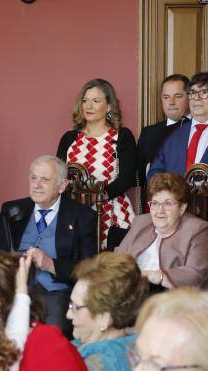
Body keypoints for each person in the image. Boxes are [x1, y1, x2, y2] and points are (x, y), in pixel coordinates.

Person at [0, 155, 97, 337]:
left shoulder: (81, 216)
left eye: (45, 180)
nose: (36, 184)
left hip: (55, 293)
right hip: (13, 289)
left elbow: (88, 269)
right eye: (33, 178)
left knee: (51, 334)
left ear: (62, 186)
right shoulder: (11, 210)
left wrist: (51, 264)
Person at [68, 252, 148, 371]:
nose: (68, 315)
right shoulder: (136, 343)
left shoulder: (91, 370)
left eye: (75, 308)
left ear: (105, 317)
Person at [56, 79, 139, 250]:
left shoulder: (122, 136)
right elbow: (58, 176)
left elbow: (127, 177)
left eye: (96, 101)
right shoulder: (69, 138)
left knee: (112, 270)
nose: (89, 106)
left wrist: (99, 196)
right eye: (85, 100)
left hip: (111, 211)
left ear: (109, 106)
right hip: (75, 213)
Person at [115, 172, 208, 290]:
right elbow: (118, 257)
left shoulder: (197, 229)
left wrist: (158, 276)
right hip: (132, 292)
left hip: (173, 299)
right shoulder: (141, 222)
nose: (160, 210)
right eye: (155, 203)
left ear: (182, 208)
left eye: (168, 204)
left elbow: (196, 273)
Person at [137, 74, 191, 182]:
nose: (171, 102)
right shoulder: (148, 133)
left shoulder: (200, 128)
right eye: (166, 97)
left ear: (190, 97)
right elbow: (140, 175)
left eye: (178, 96)